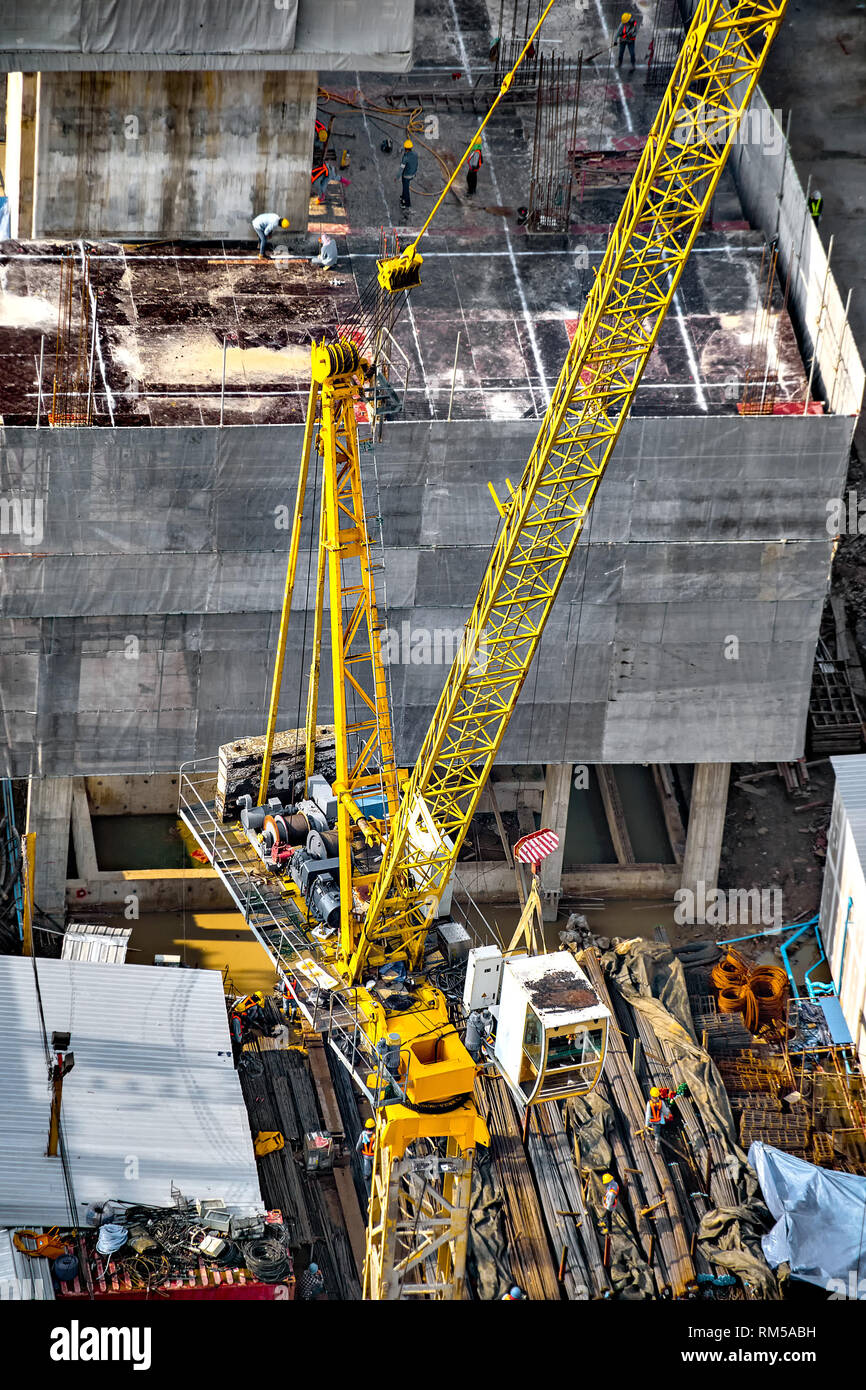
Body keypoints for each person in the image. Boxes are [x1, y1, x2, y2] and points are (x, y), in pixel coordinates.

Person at [645, 1085, 673, 1153]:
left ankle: (649, 1134)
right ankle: (656, 1149)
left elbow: (648, 1115)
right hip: (658, 1121)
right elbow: (665, 1112)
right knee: (657, 1134)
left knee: (648, 1129)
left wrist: (646, 1124)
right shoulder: (661, 1102)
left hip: (651, 1120)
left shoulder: (649, 1103)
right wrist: (668, 1114)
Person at [399, 139, 418, 209]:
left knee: (405, 189)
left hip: (406, 176)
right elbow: (416, 164)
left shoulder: (405, 157)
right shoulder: (415, 154)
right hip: (412, 174)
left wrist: (397, 177)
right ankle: (403, 196)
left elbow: (401, 168)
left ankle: (406, 204)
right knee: (405, 187)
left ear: (405, 148)